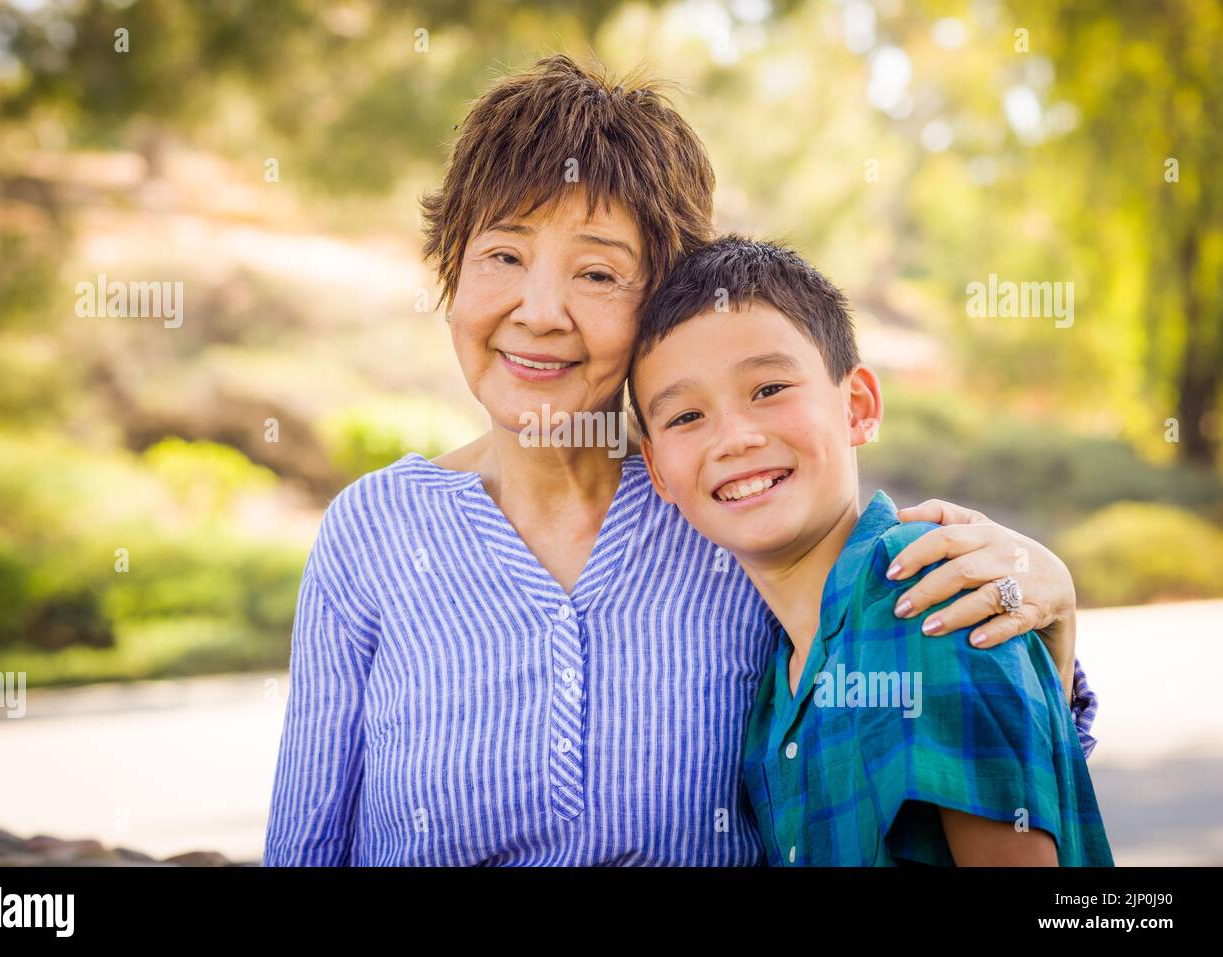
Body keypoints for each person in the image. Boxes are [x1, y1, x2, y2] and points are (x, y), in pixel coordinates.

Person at [263, 56, 1096, 867]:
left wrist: (1050, 609)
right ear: (451, 273)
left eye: (597, 271)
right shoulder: (373, 533)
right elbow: (304, 848)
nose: (541, 311)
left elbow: (936, 727)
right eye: (503, 256)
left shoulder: (727, 507)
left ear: (660, 304)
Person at [630, 236, 1113, 865]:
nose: (734, 438)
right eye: (685, 417)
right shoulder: (775, 689)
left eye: (769, 389)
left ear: (857, 407)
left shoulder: (921, 589)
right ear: (658, 472)